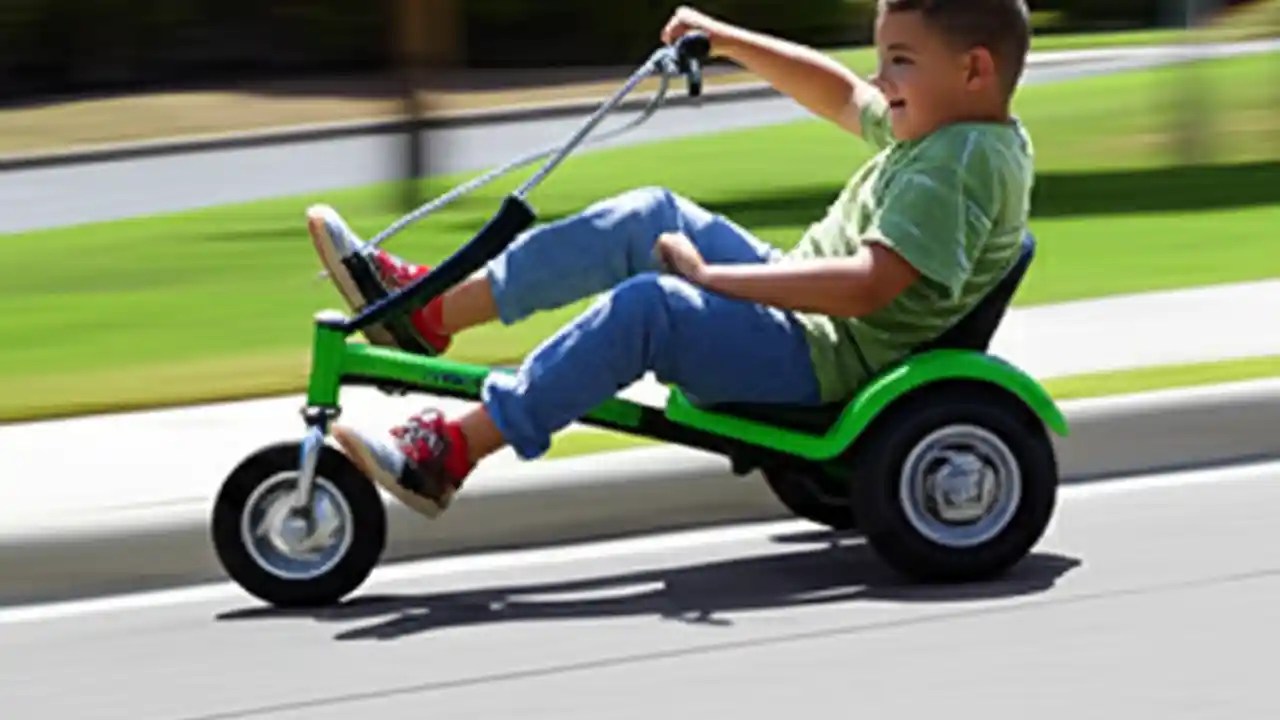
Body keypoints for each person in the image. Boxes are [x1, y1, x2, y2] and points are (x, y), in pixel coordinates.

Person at [304, 0, 1036, 519]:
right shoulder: (945, 124)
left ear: (973, 69)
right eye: (883, 58)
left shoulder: (958, 161)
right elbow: (839, 93)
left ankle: (449, 454)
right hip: (800, 321)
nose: (879, 80)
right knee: (650, 213)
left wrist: (714, 281)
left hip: (826, 356)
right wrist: (724, 36)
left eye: (898, 62)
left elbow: (871, 286)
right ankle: (430, 315)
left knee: (652, 308)